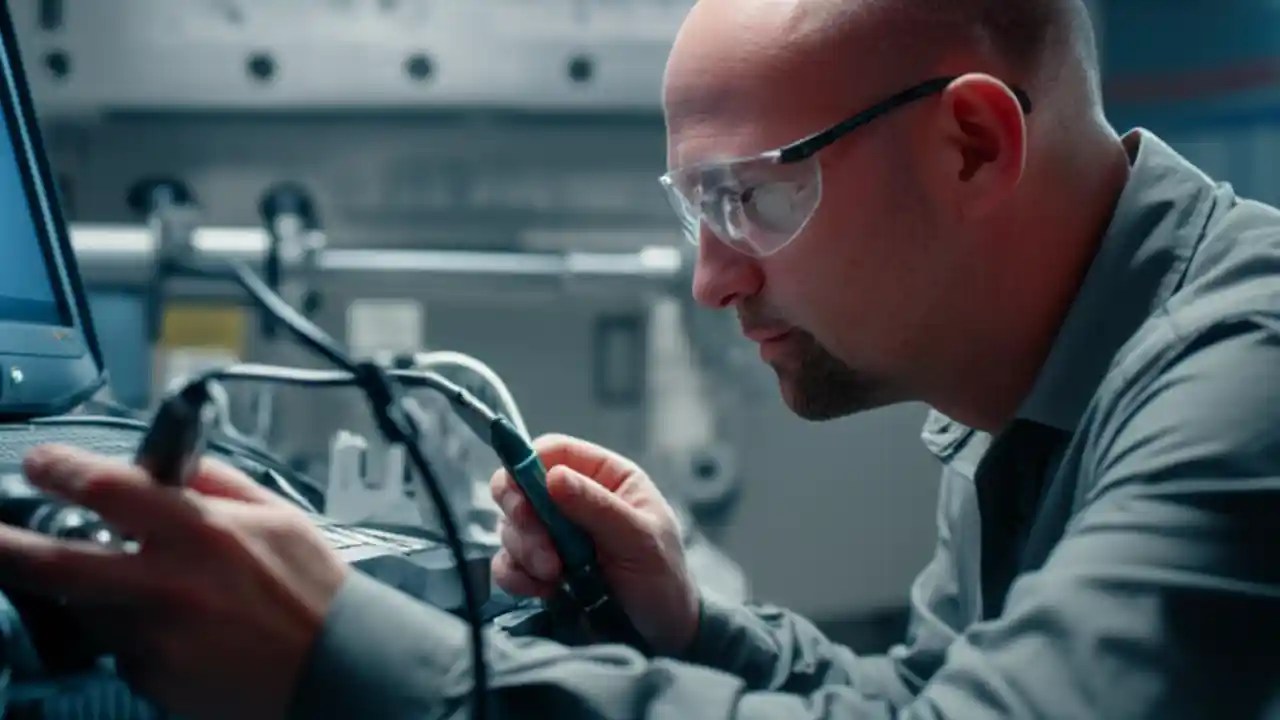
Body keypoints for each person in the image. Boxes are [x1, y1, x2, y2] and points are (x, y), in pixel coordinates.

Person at [1, 0, 1278, 717]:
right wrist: (692, 627)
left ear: (970, 149)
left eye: (753, 200)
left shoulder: (1243, 374)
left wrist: (343, 655)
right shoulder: (1032, 394)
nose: (715, 278)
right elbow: (928, 700)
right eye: (693, 210)